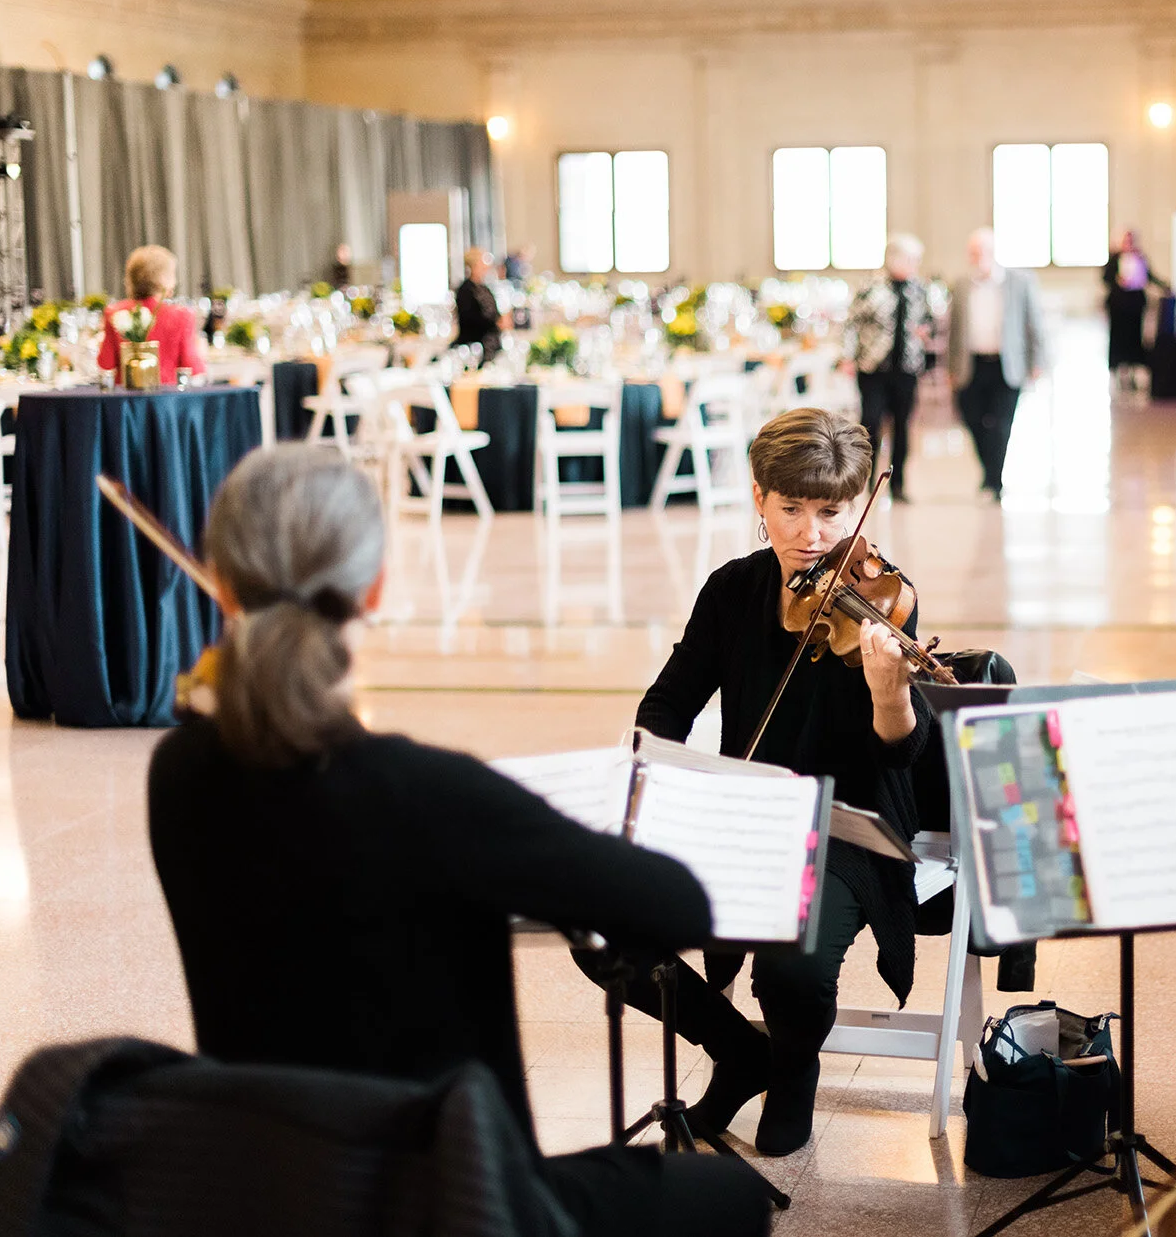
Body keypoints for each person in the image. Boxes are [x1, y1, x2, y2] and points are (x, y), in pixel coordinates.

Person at [144, 445, 771, 1236]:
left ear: (223, 584)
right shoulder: (427, 792)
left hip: (272, 1184)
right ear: (373, 588)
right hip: (455, 1195)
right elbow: (677, 905)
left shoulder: (177, 773)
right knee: (728, 1200)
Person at [582, 409, 933, 1158]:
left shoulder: (879, 601)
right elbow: (671, 697)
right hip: (742, 813)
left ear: (855, 505)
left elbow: (903, 756)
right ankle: (738, 1048)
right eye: (791, 508)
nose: (811, 532)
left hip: (848, 826)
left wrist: (889, 694)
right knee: (599, 924)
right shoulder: (732, 589)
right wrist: (649, 762)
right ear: (758, 498)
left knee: (792, 960)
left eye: (831, 511)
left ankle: (793, 1065)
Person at [948, 227, 1045, 502]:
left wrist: (1037, 361)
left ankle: (994, 482)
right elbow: (953, 329)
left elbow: (1033, 322)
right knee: (972, 419)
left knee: (1001, 424)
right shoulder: (962, 285)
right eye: (973, 252)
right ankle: (990, 472)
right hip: (973, 364)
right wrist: (950, 369)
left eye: (982, 251)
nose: (977, 257)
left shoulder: (1020, 281)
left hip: (1006, 365)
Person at [844, 234, 941, 504]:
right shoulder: (870, 287)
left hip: (907, 368)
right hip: (873, 367)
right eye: (911, 259)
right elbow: (851, 323)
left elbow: (929, 321)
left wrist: (925, 331)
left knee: (903, 426)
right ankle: (864, 481)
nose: (915, 265)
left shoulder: (919, 289)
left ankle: (897, 484)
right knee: (871, 423)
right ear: (893, 258)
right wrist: (848, 357)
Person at [97, 245, 207, 386]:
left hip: (126, 400)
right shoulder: (182, 315)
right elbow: (192, 367)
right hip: (166, 400)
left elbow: (105, 364)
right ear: (165, 279)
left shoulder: (115, 313)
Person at [1103, 227, 1165, 396]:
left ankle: (1131, 371)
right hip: (1119, 306)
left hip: (1134, 305)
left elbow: (1150, 276)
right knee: (1118, 339)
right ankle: (1118, 371)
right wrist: (1118, 281)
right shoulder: (1115, 259)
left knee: (1133, 339)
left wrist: (1165, 286)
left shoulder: (1140, 258)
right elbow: (1105, 279)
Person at [454, 246, 507, 359]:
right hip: (476, 346)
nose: (486, 267)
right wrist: (496, 322)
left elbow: (493, 311)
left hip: (492, 343)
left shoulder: (484, 288)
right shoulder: (465, 290)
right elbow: (470, 319)